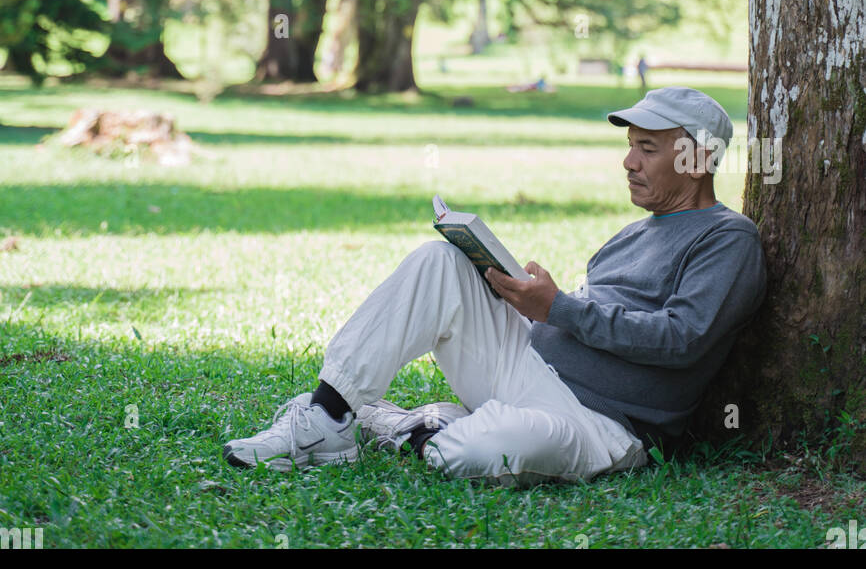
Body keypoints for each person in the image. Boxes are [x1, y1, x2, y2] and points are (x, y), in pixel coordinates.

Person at [223, 87, 766, 487]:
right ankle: (326, 417)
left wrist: (560, 308)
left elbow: (682, 341)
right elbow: (584, 320)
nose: (627, 162)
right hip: (526, 365)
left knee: (465, 455)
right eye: (630, 146)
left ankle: (409, 426)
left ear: (698, 159)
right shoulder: (630, 235)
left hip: (604, 424)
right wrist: (535, 303)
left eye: (647, 148)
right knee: (442, 260)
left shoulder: (728, 239)